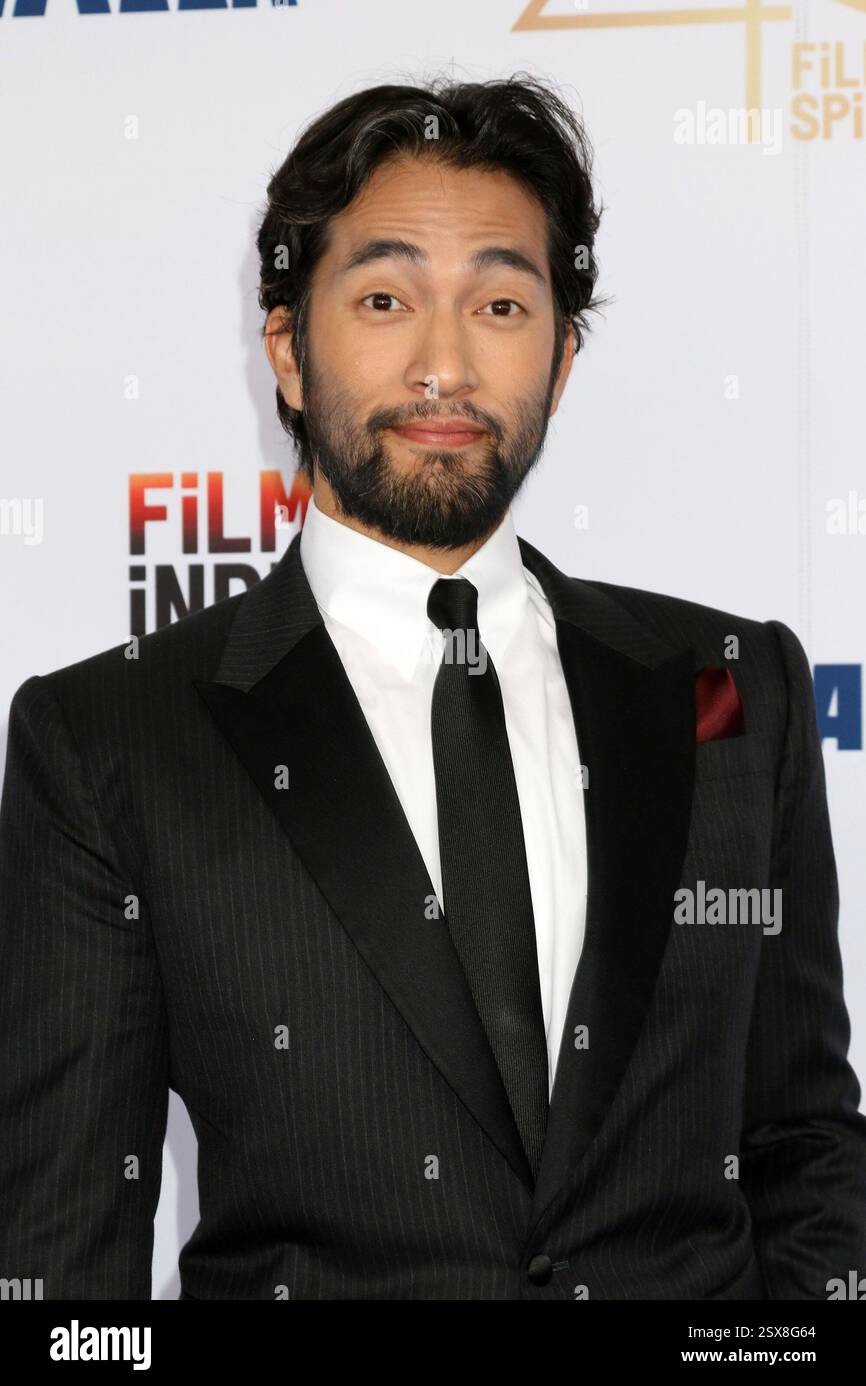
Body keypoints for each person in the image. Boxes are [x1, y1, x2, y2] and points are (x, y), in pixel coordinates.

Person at [1, 75, 864, 1301]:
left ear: (560, 359)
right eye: (385, 298)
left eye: (501, 304)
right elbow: (58, 1252)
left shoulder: (733, 693)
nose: (443, 365)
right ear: (289, 352)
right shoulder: (110, 738)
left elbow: (801, 1145)